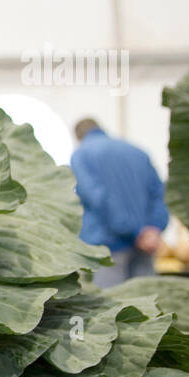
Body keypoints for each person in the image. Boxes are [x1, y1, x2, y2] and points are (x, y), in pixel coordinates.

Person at [70, 118, 168, 288]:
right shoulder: (137, 151)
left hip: (107, 247)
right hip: (145, 245)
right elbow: (159, 194)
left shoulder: (81, 155)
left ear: (78, 136)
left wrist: (132, 231)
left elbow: (96, 198)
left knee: (110, 308)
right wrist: (153, 229)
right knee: (146, 305)